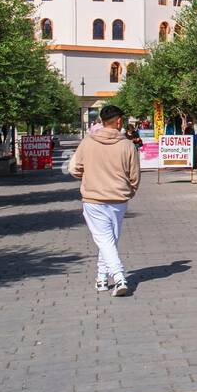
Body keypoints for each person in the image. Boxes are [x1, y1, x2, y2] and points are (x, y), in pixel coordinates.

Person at [69, 104, 140, 297]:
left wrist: (87, 176)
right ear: (118, 121)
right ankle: (110, 278)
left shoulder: (88, 142)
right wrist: (130, 190)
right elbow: (135, 175)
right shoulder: (127, 145)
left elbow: (74, 168)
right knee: (109, 240)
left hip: (93, 198)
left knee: (105, 240)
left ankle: (112, 278)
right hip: (118, 199)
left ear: (102, 121)